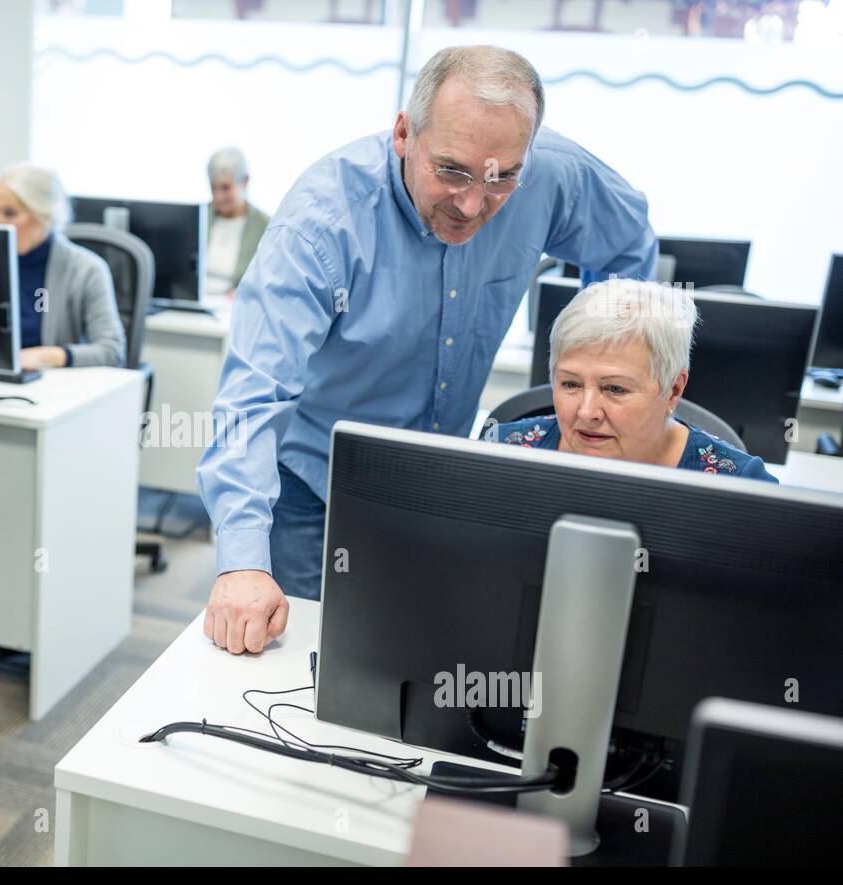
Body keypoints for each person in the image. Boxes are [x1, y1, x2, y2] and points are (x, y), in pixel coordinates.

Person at [196, 44, 658, 655]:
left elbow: (629, 245)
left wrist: (602, 368)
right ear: (403, 135)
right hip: (314, 486)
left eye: (500, 179)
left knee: (408, 657)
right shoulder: (321, 225)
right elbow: (253, 396)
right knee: (298, 670)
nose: (472, 204)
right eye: (453, 172)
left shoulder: (553, 174)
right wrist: (241, 563)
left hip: (437, 482)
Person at [489, 278, 777, 482]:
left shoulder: (740, 483)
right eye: (571, 384)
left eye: (614, 388)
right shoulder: (501, 452)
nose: (587, 412)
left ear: (674, 390)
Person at [0, 162, 127, 369]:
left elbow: (111, 351)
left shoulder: (87, 269)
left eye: (10, 214)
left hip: (54, 384)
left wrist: (50, 356)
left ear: (44, 215)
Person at [205, 147, 270, 296]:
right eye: (213, 187)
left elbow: (269, 277)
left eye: (225, 188)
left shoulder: (265, 226)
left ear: (245, 182)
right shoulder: (200, 218)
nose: (218, 196)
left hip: (235, 306)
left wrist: (246, 291)